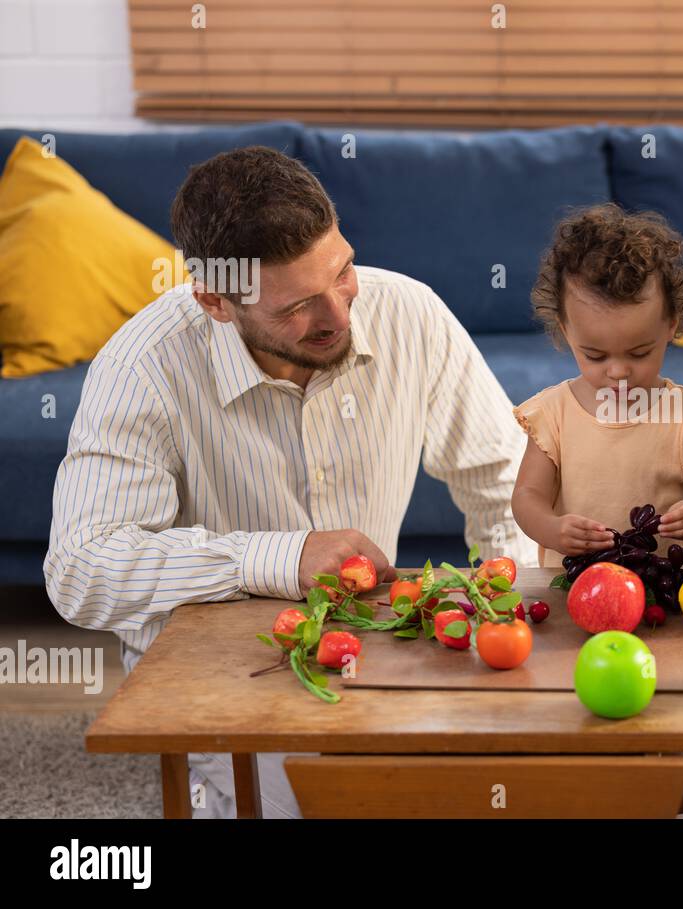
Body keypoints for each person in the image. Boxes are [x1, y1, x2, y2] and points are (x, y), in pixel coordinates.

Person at [44, 145, 533, 818]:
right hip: (220, 677)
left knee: (532, 785)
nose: (338, 314)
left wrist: (510, 608)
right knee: (338, 807)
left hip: (375, 651)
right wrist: (281, 555)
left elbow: (502, 476)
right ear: (216, 302)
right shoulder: (143, 366)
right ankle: (212, 791)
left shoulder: (412, 314)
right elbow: (80, 570)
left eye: (344, 270)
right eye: (299, 304)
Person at [511, 203, 683, 568]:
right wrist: (551, 529)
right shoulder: (552, 413)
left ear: (670, 326)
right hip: (571, 588)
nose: (618, 372)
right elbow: (526, 496)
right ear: (568, 333)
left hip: (658, 591)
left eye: (640, 352)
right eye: (595, 356)